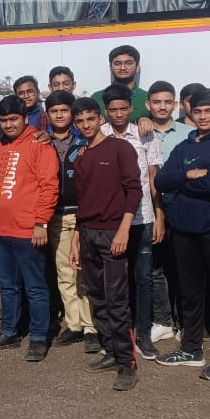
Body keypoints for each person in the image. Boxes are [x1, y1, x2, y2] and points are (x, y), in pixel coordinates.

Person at [153, 88, 210, 381]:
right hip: (183, 231)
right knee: (189, 293)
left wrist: (180, 181)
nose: (203, 117)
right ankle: (191, 349)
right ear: (191, 112)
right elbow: (163, 180)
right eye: (199, 112)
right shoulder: (185, 145)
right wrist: (186, 175)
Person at [0, 97, 59, 362]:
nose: (8, 124)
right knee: (9, 287)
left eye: (14, 119)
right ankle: (10, 332)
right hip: (1, 231)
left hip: (28, 230)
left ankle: (38, 337)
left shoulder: (39, 144)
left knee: (35, 287)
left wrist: (41, 222)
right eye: (3, 120)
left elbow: (49, 186)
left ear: (25, 119)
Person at [70, 97, 143, 389]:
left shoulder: (119, 148)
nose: (86, 125)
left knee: (117, 300)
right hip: (87, 232)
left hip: (113, 231)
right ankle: (111, 351)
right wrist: (77, 237)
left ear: (100, 118)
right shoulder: (81, 156)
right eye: (80, 121)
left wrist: (124, 230)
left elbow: (134, 191)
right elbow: (82, 202)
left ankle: (127, 363)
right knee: (97, 298)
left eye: (90, 119)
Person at [101, 84, 165, 360]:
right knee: (115, 281)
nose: (118, 114)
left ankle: (143, 335)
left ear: (131, 108)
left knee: (144, 278)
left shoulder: (144, 134)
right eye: (113, 109)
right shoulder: (99, 135)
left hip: (142, 217)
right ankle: (119, 334)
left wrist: (159, 216)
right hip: (110, 220)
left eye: (123, 108)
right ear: (106, 111)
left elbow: (153, 179)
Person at [43, 90, 96, 354]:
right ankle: (74, 324)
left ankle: (91, 326)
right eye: (54, 111)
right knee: (64, 270)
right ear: (48, 115)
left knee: (83, 270)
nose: (60, 115)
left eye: (65, 110)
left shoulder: (84, 142)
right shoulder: (43, 143)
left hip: (81, 213)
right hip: (55, 214)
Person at [144, 80, 187, 342]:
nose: (162, 107)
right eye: (157, 102)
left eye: (167, 102)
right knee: (154, 267)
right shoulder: (140, 131)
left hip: (182, 207)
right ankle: (162, 320)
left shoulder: (187, 133)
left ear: (176, 104)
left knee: (183, 267)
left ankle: (185, 321)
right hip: (150, 209)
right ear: (148, 105)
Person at [92, 45, 148, 122]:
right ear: (110, 67)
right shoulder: (97, 98)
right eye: (117, 63)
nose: (123, 68)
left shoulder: (147, 98)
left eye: (128, 63)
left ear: (137, 67)